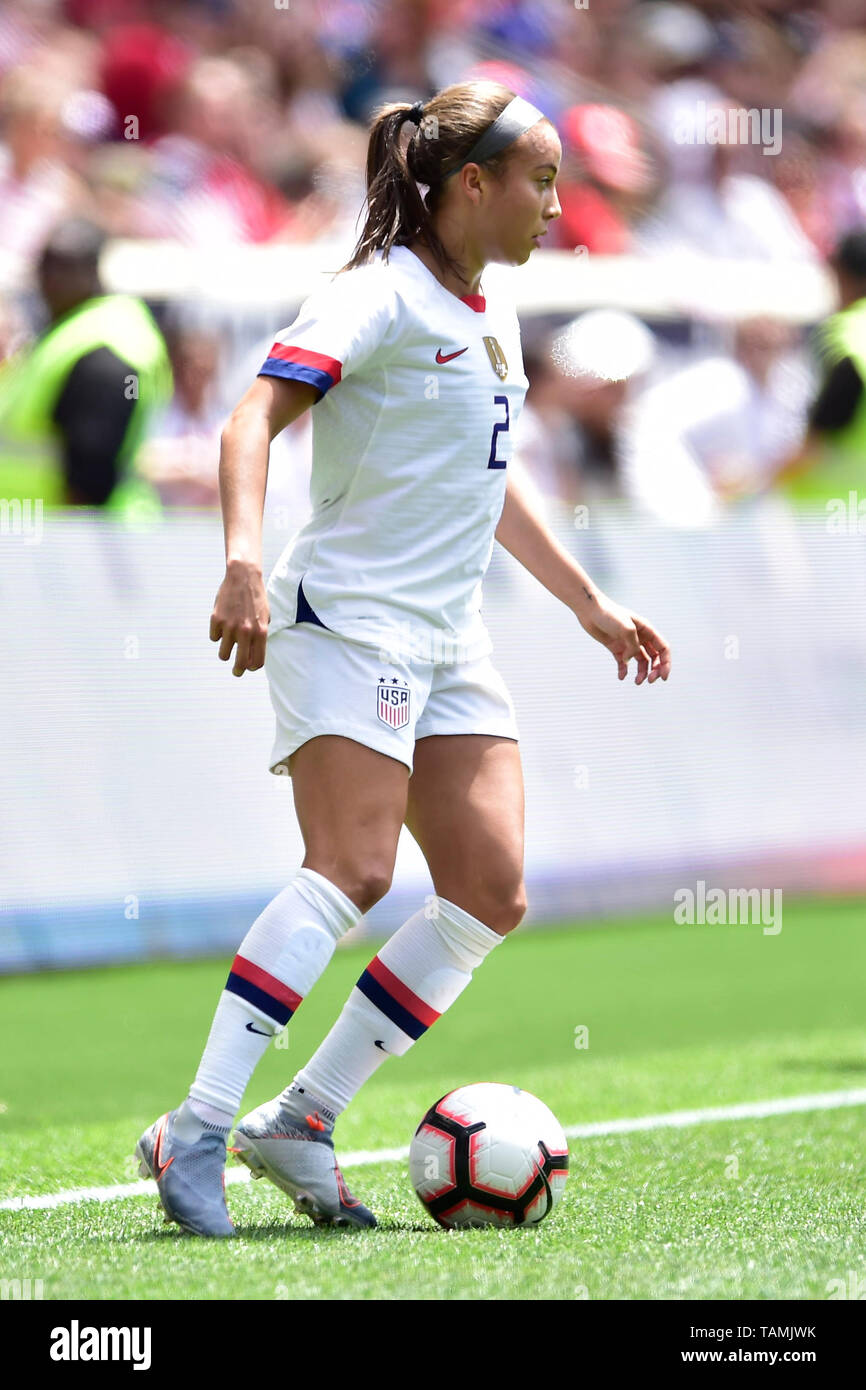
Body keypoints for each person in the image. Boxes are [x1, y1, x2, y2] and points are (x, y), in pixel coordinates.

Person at [135, 81, 671, 1238]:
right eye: (537, 179)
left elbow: (490, 471)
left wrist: (586, 602)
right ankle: (200, 1123)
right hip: (350, 620)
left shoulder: (489, 311)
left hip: (446, 639)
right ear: (468, 184)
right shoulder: (373, 296)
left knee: (487, 890)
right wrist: (238, 558)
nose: (553, 203)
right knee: (354, 869)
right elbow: (248, 422)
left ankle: (304, 1118)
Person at [0, 218, 171, 515]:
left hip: (82, 543)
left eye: (64, 267)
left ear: (93, 271)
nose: (50, 279)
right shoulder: (70, 332)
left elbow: (90, 477)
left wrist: (69, 548)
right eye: (45, 266)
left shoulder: (105, 343)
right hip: (47, 539)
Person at [772, 230, 866, 503]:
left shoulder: (845, 333)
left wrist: (755, 487)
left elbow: (820, 440)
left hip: (832, 514)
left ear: (839, 273)